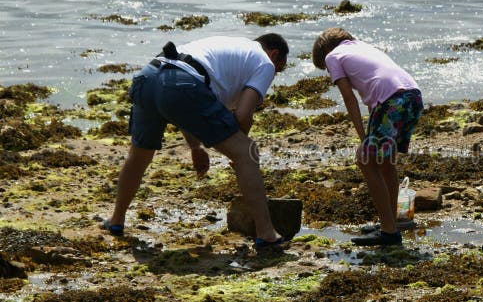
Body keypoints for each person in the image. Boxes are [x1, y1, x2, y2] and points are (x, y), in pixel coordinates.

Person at [103, 33, 289, 252]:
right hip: (182, 83)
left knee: (139, 155)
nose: (272, 76)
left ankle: (116, 220)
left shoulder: (230, 47)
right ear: (274, 54)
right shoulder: (265, 63)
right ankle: (266, 234)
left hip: (149, 76)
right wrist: (239, 152)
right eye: (279, 71)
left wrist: (195, 146)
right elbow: (242, 114)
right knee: (247, 152)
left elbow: (184, 97)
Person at [312, 27, 423, 246]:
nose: (329, 72)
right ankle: (390, 222)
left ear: (325, 51)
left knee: (365, 160)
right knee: (385, 163)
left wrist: (363, 137)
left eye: (326, 69)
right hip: (413, 97)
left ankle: (389, 231)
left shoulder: (333, 56)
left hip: (390, 102)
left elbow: (349, 99)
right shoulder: (362, 47)